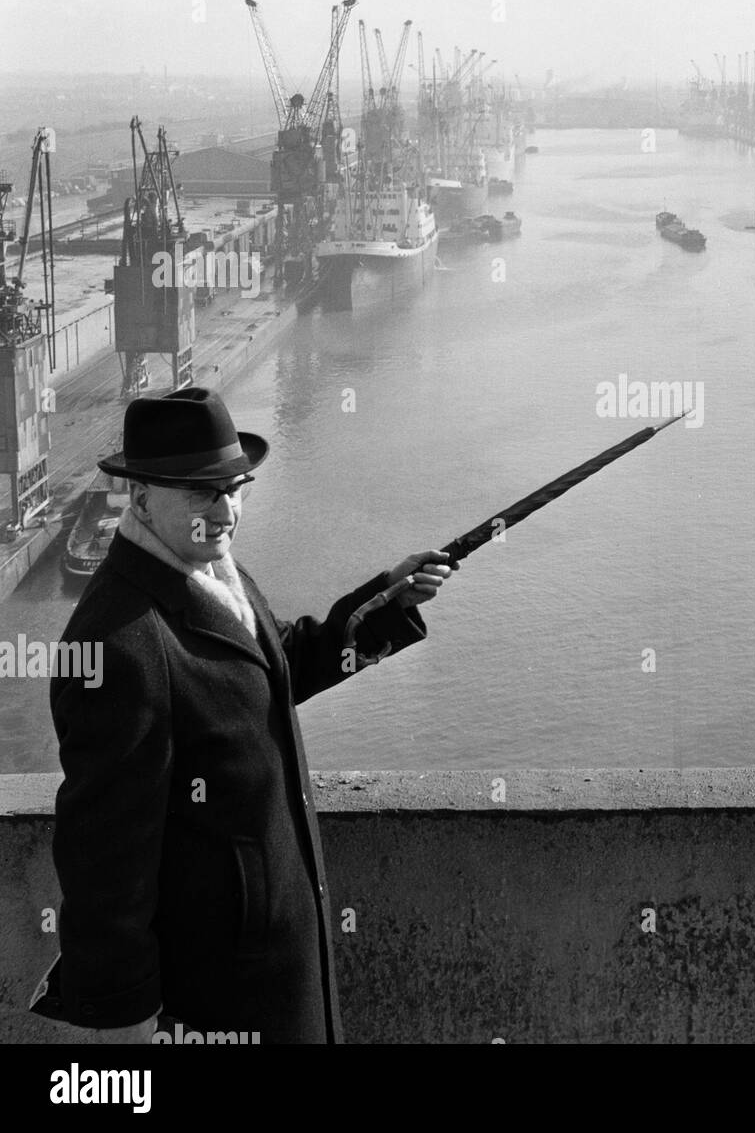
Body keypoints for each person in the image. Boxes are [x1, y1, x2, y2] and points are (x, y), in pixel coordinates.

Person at [29, 386, 455, 1043]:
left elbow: (272, 666)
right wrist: (122, 1021)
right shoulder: (121, 647)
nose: (226, 509)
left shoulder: (213, 572)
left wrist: (381, 609)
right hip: (216, 998)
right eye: (203, 492)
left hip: (275, 971)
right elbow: (103, 864)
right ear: (139, 498)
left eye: (235, 488)